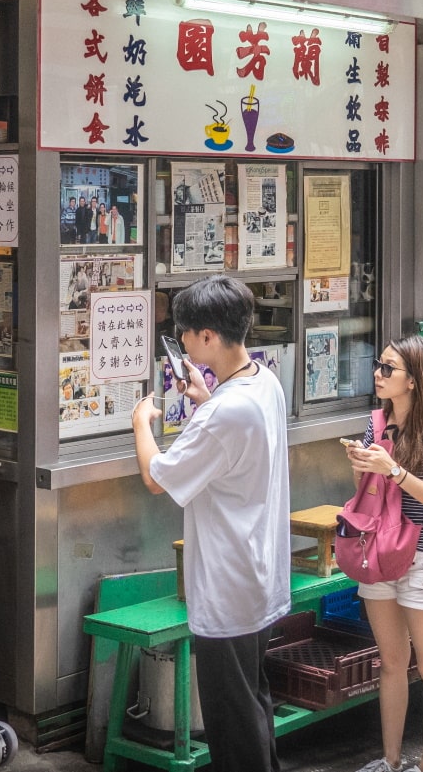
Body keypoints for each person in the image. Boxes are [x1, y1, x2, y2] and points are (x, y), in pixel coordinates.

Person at [135, 278, 289, 772]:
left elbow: (157, 478)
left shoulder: (223, 411)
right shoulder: (262, 382)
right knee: (254, 704)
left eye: (184, 333)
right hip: (258, 576)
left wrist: (141, 423)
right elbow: (232, 439)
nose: (180, 340)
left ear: (205, 337)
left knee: (233, 724)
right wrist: (205, 396)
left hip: (227, 587)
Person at [341, 336, 423, 772]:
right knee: (390, 662)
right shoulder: (377, 422)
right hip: (379, 549)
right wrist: (360, 464)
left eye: (389, 368)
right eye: (379, 365)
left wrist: (394, 469)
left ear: (414, 380)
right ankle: (390, 761)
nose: (379, 373)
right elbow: (370, 493)